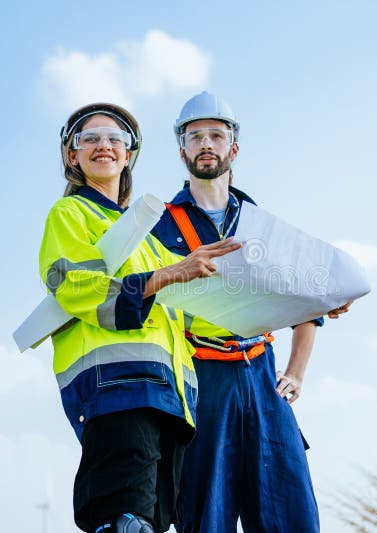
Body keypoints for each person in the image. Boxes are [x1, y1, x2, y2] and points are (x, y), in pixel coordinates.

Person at [151, 92, 351, 532]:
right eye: (195, 136)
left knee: (290, 515)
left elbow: (307, 300)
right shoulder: (158, 226)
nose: (206, 143)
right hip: (201, 385)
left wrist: (296, 373)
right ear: (181, 149)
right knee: (207, 519)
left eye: (216, 135)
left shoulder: (261, 224)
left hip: (263, 378)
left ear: (233, 148)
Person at [39, 102, 241, 533]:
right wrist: (167, 275)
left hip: (170, 400)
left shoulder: (148, 240)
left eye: (115, 139)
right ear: (71, 155)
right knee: (124, 523)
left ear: (129, 155)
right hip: (118, 390)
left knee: (152, 521)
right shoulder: (70, 215)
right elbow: (74, 285)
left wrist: (304, 306)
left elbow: (203, 314)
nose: (104, 146)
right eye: (89, 139)